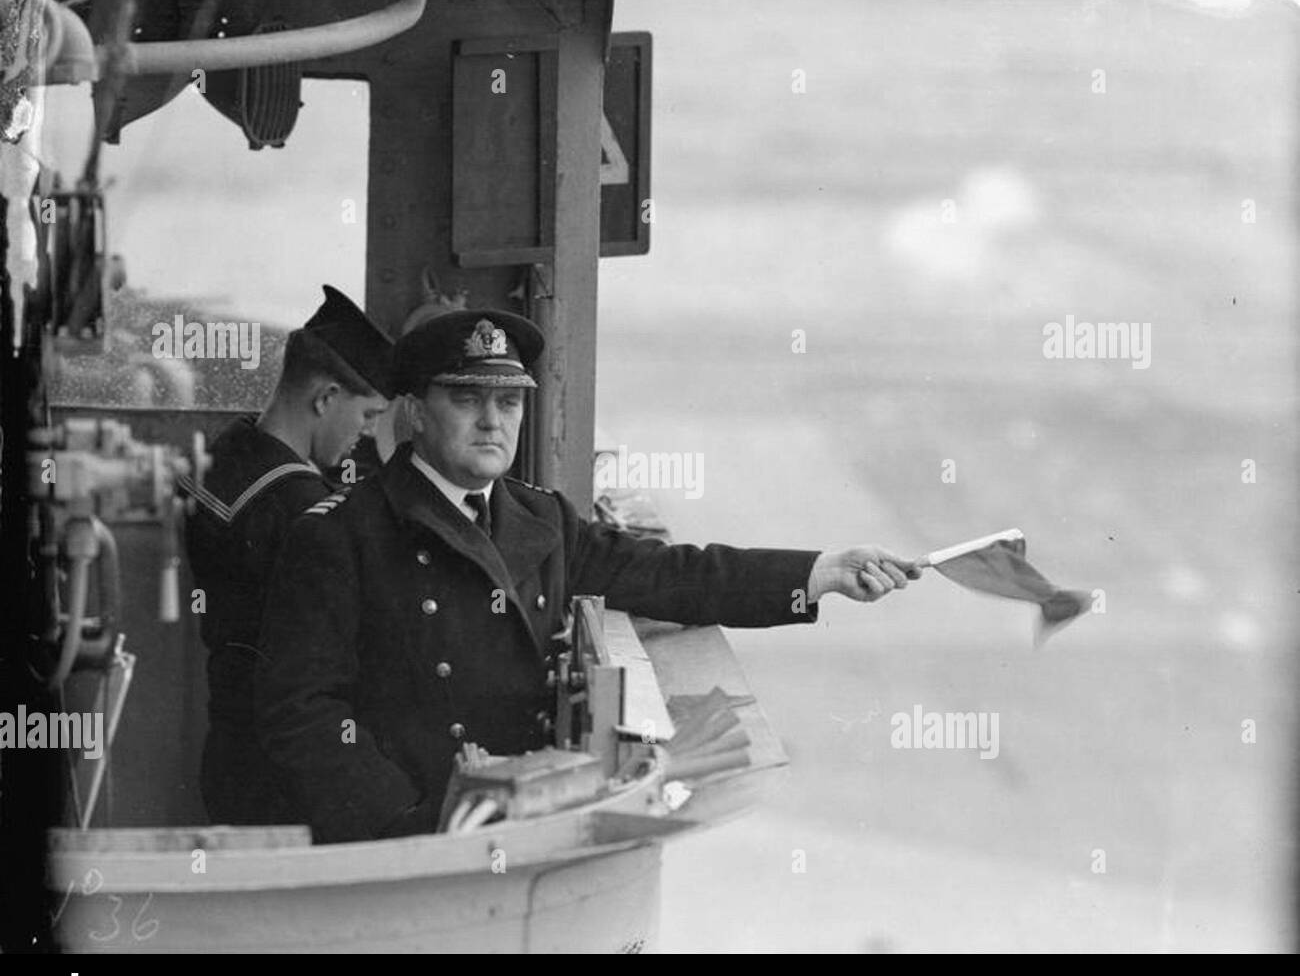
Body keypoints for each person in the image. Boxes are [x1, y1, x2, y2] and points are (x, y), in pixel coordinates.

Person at [254, 309, 921, 843]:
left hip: (539, 820)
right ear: (417, 413)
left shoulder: (538, 519)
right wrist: (413, 824)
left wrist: (821, 570)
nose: (492, 421)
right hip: (421, 843)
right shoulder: (342, 534)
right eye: (466, 398)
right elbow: (303, 713)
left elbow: (673, 576)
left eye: (509, 402)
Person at [182, 285, 394, 825]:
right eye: (368, 416)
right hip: (280, 777)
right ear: (324, 399)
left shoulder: (227, 450)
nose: (368, 434)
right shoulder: (301, 509)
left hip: (230, 752)